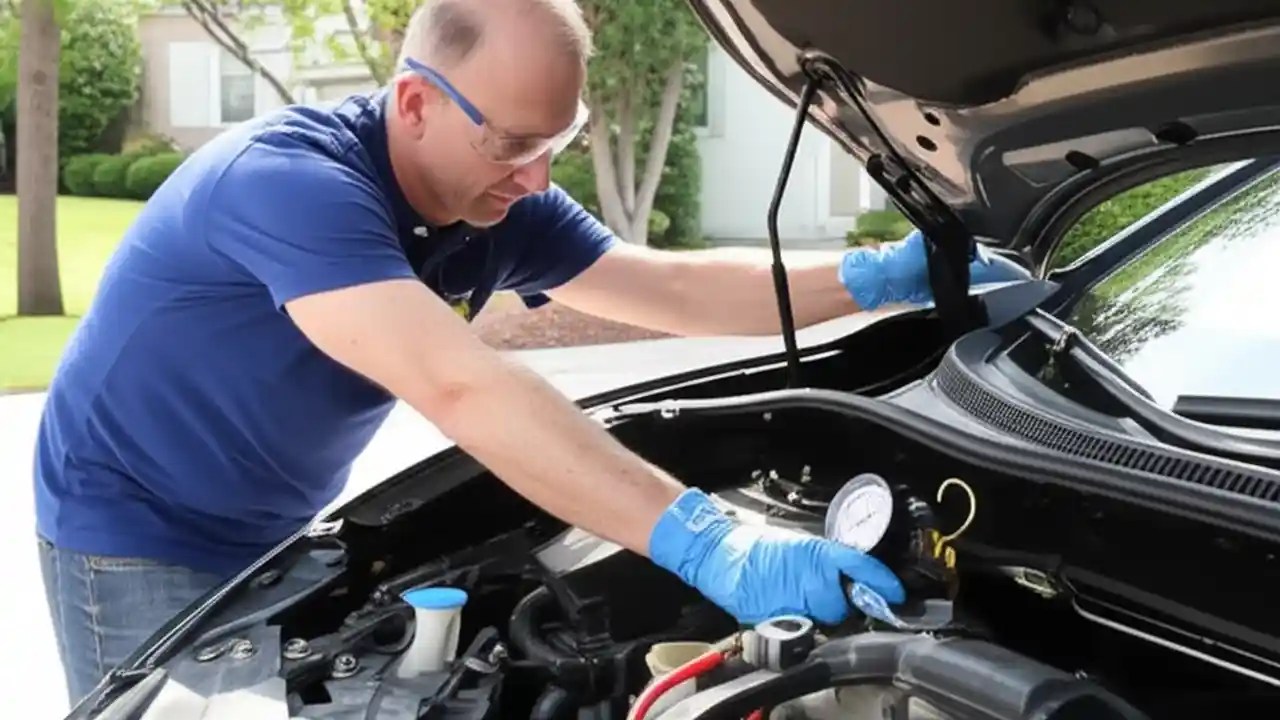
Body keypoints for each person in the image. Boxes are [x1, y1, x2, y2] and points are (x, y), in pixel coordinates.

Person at [32, 0, 1028, 706]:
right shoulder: (288, 186)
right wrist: (707, 540)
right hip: (135, 527)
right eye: (510, 143)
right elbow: (460, 386)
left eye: (557, 140)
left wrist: (870, 279)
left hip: (276, 520)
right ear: (415, 102)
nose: (535, 176)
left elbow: (668, 289)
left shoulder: (491, 199)